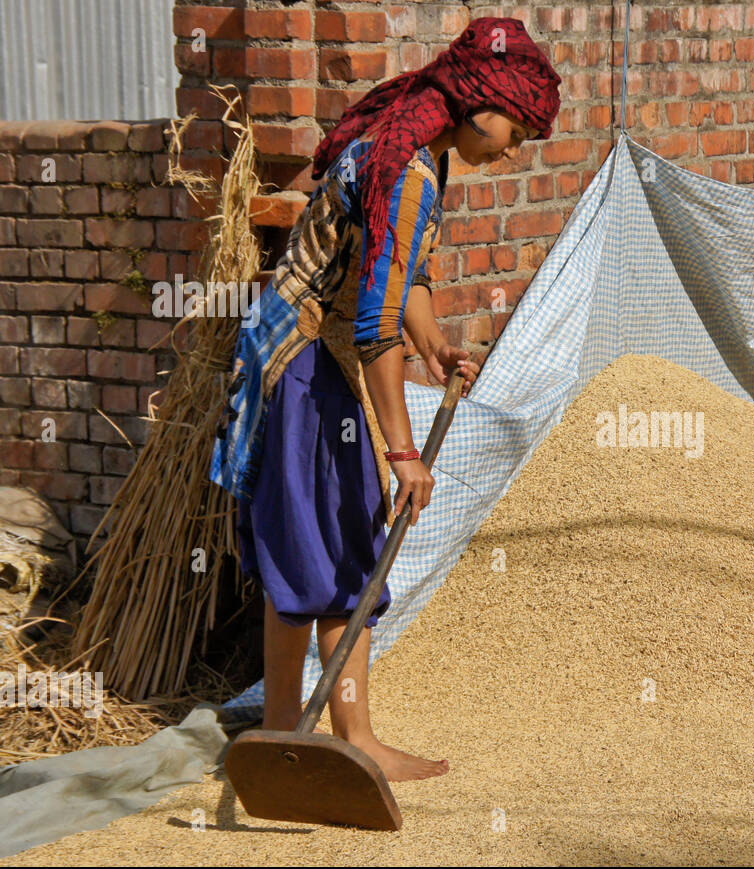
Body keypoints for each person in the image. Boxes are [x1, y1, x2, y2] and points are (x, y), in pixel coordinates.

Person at [210, 17, 562, 782]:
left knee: (312, 551)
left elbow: (408, 285)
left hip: (306, 359)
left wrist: (432, 343)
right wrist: (404, 454)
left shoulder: (418, 151)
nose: (513, 150)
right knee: (338, 551)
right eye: (515, 131)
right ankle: (335, 736)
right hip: (304, 364)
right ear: (479, 105)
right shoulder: (405, 170)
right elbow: (373, 329)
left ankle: (285, 732)